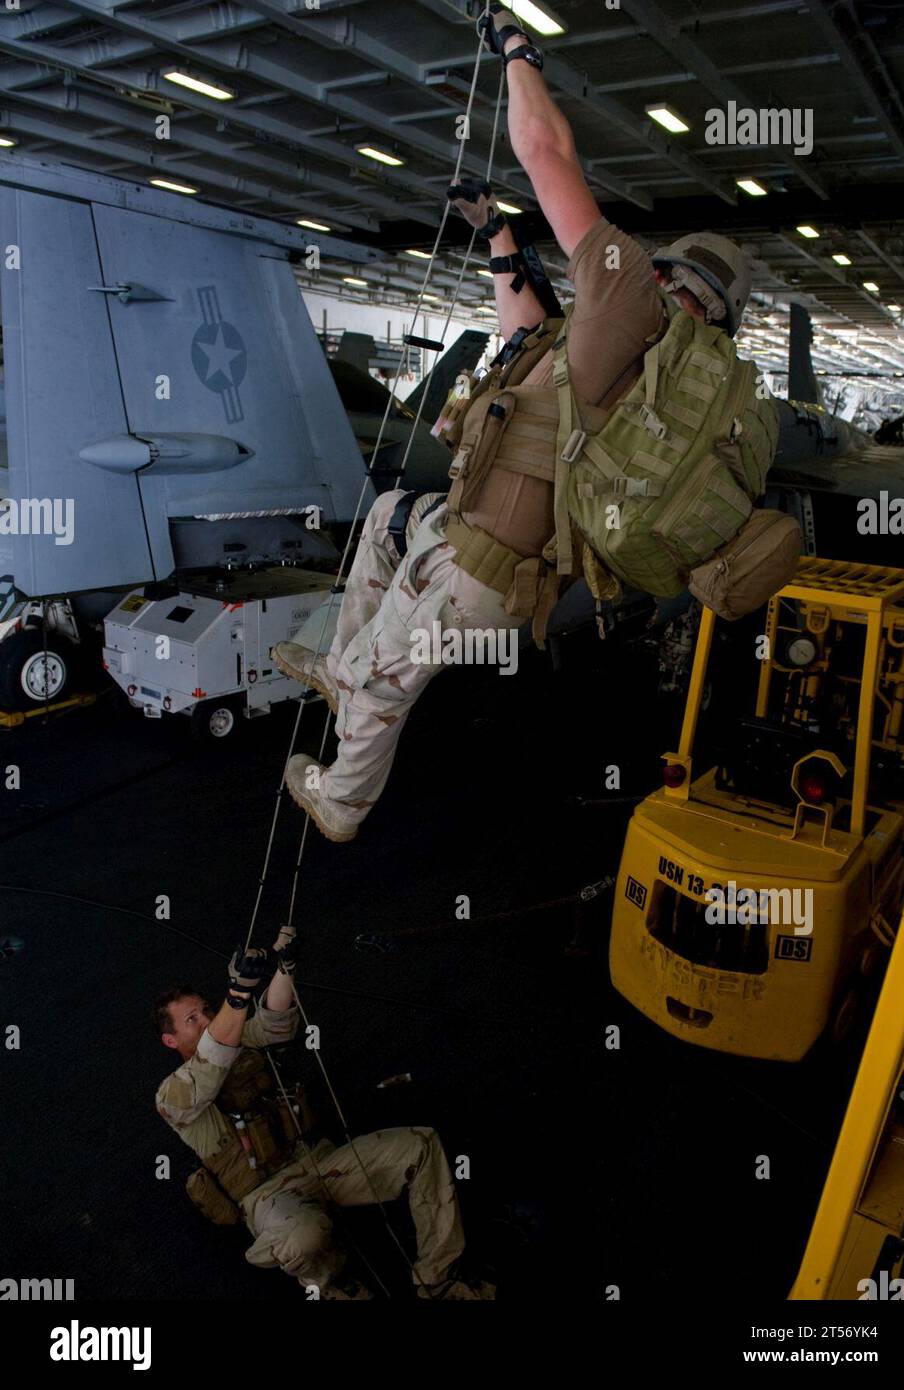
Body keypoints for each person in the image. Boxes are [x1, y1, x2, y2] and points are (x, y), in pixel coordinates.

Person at [274, 1, 753, 844]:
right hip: (474, 536)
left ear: (672, 277)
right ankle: (342, 668)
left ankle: (343, 798)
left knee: (390, 684)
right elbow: (528, 335)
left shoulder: (632, 300)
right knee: (387, 522)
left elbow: (545, 149)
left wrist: (517, 50)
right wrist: (498, 235)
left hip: (492, 570)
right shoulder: (643, 360)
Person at [154, 930, 494, 1299]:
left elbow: (276, 1022)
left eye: (207, 1009)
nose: (206, 1019)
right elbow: (210, 1063)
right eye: (192, 1019)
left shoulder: (244, 1041)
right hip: (269, 1197)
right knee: (303, 1239)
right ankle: (335, 1288)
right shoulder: (171, 1095)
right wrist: (237, 995)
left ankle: (438, 1279)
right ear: (170, 1041)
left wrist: (286, 967)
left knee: (420, 1145)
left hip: (321, 1161)